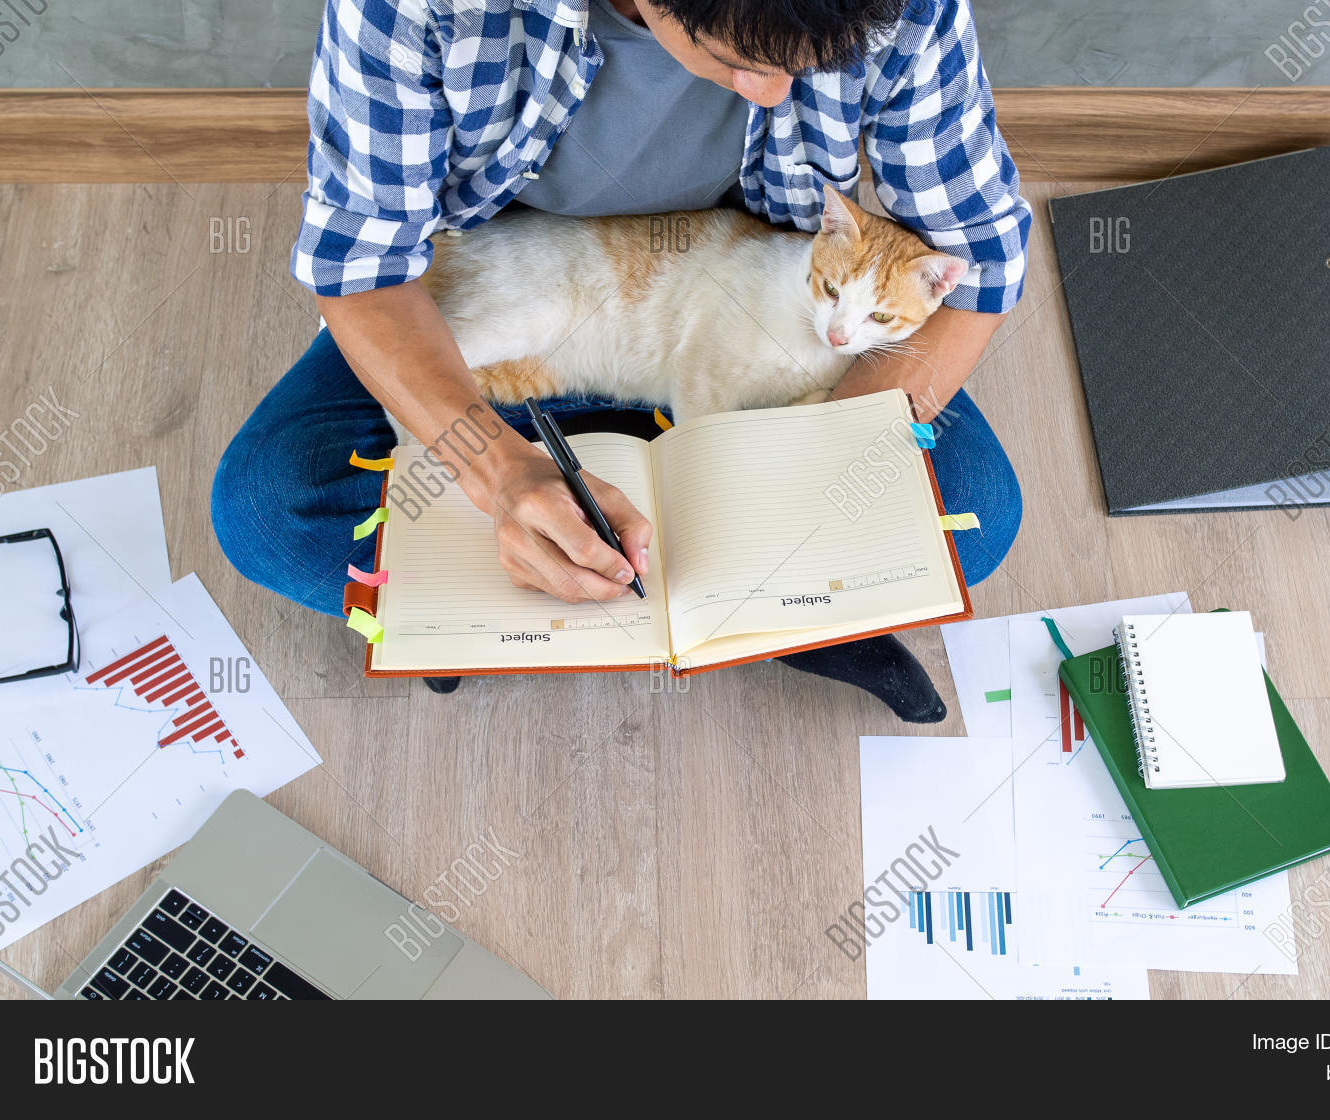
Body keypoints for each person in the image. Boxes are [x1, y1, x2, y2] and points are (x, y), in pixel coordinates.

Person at [212, 0, 1029, 722]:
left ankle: (493, 608)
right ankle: (753, 608)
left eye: (810, 68)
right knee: (265, 507)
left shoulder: (903, 5)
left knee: (976, 509)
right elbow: (363, 276)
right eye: (743, 62)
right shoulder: (419, 6)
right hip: (505, 308)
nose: (780, 94)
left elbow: (983, 254)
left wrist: (815, 457)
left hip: (762, 328)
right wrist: (497, 473)